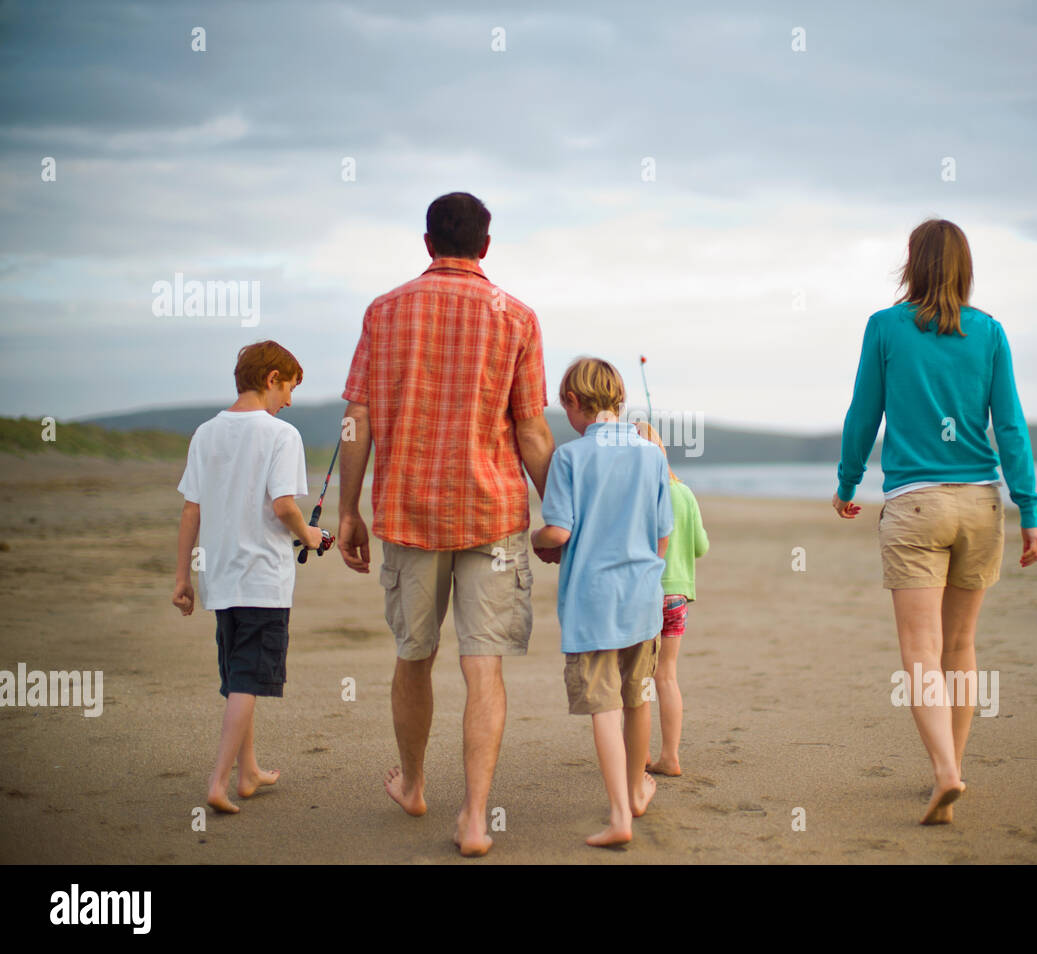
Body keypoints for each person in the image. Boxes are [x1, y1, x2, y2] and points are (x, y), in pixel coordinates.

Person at [336, 192, 554, 857]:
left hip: (407, 511)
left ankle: (414, 784)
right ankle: (475, 818)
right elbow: (532, 429)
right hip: (492, 517)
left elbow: (359, 420)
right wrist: (564, 514)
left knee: (414, 655)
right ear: (485, 245)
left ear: (427, 242)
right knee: (482, 664)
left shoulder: (384, 311)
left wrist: (347, 509)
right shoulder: (517, 317)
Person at [832, 219, 1037, 825]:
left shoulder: (885, 326)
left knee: (921, 652)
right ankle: (952, 769)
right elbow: (1010, 427)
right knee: (960, 646)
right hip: (981, 504)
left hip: (916, 504)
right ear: (965, 268)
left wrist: (848, 482)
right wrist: (1028, 509)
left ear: (912, 263)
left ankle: (945, 772)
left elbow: (863, 413)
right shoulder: (990, 333)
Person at [172, 340, 324, 814]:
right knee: (247, 678)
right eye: (291, 388)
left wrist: (183, 577)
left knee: (242, 676)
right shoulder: (282, 435)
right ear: (272, 378)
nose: (291, 401)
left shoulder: (205, 433)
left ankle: (248, 770)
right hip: (262, 579)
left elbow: (191, 510)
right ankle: (218, 780)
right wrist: (312, 536)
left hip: (219, 578)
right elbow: (284, 506)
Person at [532, 358, 674, 847]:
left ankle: (619, 818)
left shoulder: (570, 458)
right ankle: (636, 791)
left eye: (563, 405)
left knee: (604, 707)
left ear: (574, 402)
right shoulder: (652, 454)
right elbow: (662, 537)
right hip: (642, 599)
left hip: (593, 604)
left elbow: (560, 531)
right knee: (638, 697)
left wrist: (536, 539)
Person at [634, 421, 708, 777]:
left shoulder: (638, 495)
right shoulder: (685, 493)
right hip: (677, 597)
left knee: (637, 677)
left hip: (645, 596)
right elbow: (701, 547)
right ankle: (670, 756)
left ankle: (639, 753)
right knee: (667, 676)